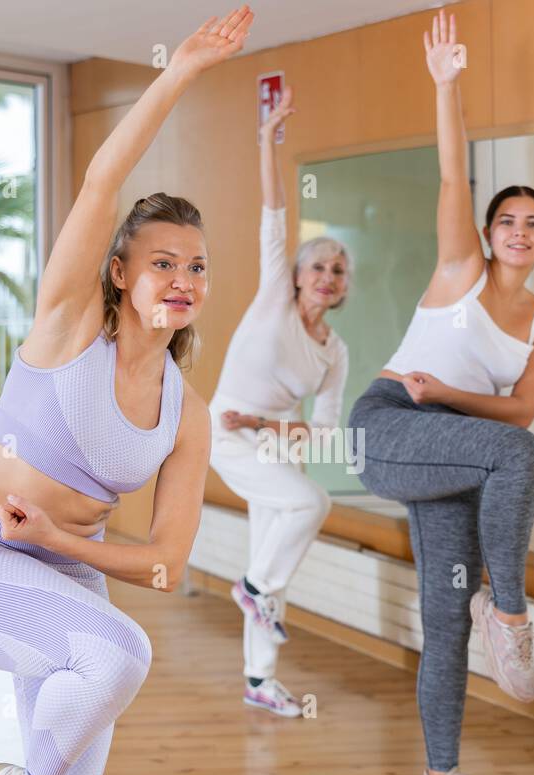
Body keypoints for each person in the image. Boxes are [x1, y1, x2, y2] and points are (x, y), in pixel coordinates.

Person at [0, 6, 253, 775]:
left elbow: (163, 566)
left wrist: (64, 544)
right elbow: (104, 180)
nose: (182, 280)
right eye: (162, 263)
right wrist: (180, 71)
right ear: (120, 272)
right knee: (120, 659)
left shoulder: (188, 414)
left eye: (196, 266)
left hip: (64, 578)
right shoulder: (70, 325)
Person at [346, 9, 534, 775]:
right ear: (489, 231)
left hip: (452, 441)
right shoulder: (460, 267)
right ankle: (509, 617)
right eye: (506, 218)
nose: (516, 230)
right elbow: (450, 176)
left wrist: (450, 395)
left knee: (443, 617)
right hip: (388, 425)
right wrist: (447, 85)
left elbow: (516, 412)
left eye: (532, 222)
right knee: (517, 454)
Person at [209, 83, 351, 717]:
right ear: (297, 275)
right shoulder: (273, 295)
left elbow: (323, 431)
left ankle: (259, 679)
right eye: (318, 265)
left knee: (272, 552)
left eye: (339, 271)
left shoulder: (335, 351)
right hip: (228, 434)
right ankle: (252, 589)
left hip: (270, 436)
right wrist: (267, 137)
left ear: (344, 289)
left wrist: (269, 421)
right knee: (307, 505)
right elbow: (274, 212)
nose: (327, 275)